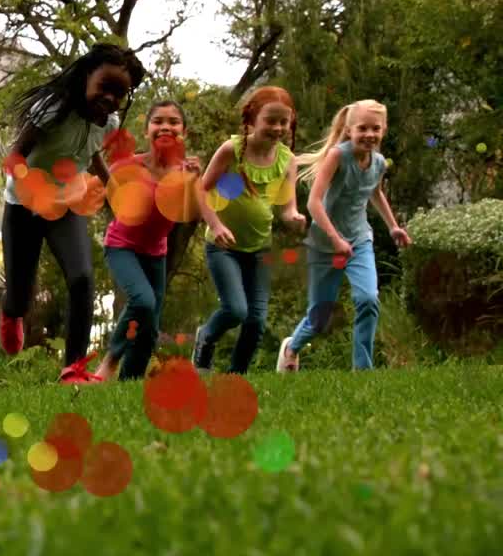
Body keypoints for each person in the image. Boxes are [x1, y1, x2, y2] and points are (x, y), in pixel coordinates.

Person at [0, 43, 146, 380]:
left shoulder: (107, 123)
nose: (110, 98)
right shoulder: (51, 110)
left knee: (81, 278)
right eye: (105, 87)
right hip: (23, 206)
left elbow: (92, 155)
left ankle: (74, 368)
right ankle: (10, 310)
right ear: (85, 77)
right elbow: (15, 156)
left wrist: (115, 193)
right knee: (21, 295)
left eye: (119, 93)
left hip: (67, 206)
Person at [278, 99, 411, 372]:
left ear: (384, 130)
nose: (370, 134)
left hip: (360, 240)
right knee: (320, 315)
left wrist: (392, 226)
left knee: (367, 299)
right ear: (349, 130)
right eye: (363, 128)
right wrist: (336, 239)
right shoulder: (338, 156)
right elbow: (314, 203)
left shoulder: (379, 163)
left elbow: (375, 192)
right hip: (325, 244)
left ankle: (362, 370)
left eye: (376, 128)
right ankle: (292, 347)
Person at [192, 86, 305, 374]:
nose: (278, 128)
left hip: (259, 249)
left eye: (284, 121)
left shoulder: (287, 160)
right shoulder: (233, 150)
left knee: (256, 320)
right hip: (223, 248)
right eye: (271, 120)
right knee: (235, 310)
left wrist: (293, 217)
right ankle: (206, 337)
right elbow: (201, 190)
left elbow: (286, 205)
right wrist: (215, 225)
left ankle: (236, 377)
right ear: (252, 120)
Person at [90, 100, 201, 382]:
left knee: (149, 328)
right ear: (147, 129)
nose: (166, 126)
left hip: (156, 253)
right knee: (143, 301)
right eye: (158, 121)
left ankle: (130, 382)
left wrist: (193, 182)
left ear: (183, 132)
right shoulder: (128, 166)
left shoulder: (185, 171)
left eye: (174, 122)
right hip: (122, 247)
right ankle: (109, 364)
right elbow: (109, 195)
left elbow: (189, 215)